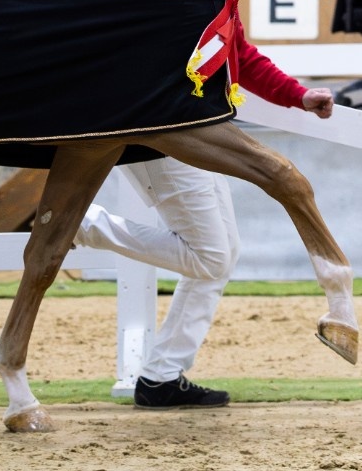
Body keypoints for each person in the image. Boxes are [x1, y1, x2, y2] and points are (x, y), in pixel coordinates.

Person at [73, 22, 335, 408]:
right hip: (162, 127)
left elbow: (238, 52)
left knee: (223, 254)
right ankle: (85, 224)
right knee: (211, 257)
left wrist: (298, 95)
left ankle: (162, 376)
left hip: (199, 126)